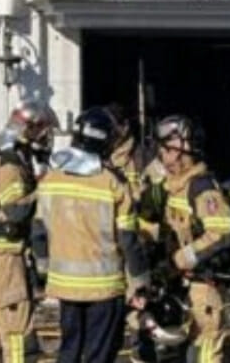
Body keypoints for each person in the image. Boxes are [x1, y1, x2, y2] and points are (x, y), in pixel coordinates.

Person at [32, 106, 150, 363]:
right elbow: (128, 240)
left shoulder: (51, 179)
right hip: (105, 288)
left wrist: (43, 273)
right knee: (100, 355)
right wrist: (141, 283)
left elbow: (39, 232)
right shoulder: (113, 183)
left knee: (69, 351)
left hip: (66, 287)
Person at [0, 98, 59, 363]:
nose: (46, 139)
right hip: (6, 257)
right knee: (16, 329)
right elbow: (15, 211)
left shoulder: (3, 159)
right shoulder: (10, 165)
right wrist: (42, 188)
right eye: (43, 132)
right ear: (29, 130)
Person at [155, 114, 230, 363]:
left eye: (168, 150)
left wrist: (180, 259)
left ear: (185, 150)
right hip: (181, 285)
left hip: (203, 287)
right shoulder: (174, 187)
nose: (163, 156)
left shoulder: (203, 188)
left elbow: (220, 235)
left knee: (205, 349)